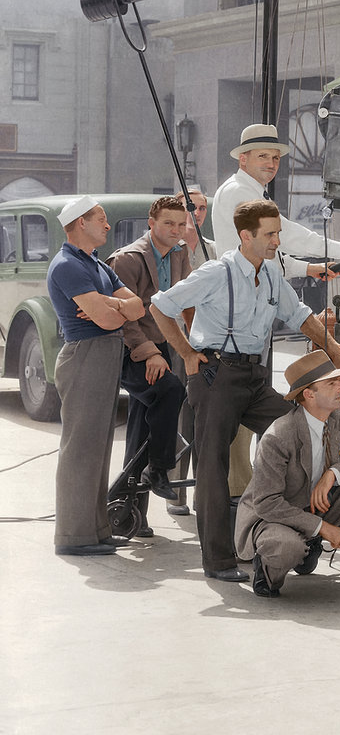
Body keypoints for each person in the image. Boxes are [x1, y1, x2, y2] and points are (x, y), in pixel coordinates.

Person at [150, 199, 340, 583]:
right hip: (215, 375)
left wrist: (337, 351)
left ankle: (301, 532)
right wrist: (186, 354)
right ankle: (217, 561)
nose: (277, 241)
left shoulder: (270, 274)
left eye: (278, 233)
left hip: (254, 375)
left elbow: (300, 315)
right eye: (270, 234)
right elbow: (161, 306)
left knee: (300, 427)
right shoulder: (217, 272)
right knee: (212, 467)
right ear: (245, 236)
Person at [233, 349, 340, 599]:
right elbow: (267, 504)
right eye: (332, 383)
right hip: (275, 518)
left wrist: (334, 473)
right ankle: (267, 570)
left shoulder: (338, 419)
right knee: (286, 547)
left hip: (317, 505)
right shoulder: (279, 436)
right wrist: (323, 528)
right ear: (309, 395)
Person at [48, 197, 146, 557]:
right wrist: (116, 309)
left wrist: (114, 306)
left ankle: (95, 530)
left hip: (104, 355)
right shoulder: (68, 265)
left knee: (99, 446)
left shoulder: (94, 265)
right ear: (79, 223)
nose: (107, 226)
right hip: (85, 355)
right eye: (100, 219)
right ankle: (73, 536)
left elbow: (137, 305)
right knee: (81, 450)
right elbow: (106, 320)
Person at [106, 195, 192, 538]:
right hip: (131, 347)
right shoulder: (128, 259)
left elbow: (184, 302)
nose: (175, 230)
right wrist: (148, 351)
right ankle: (158, 469)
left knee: (143, 428)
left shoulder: (181, 252)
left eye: (180, 224)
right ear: (151, 223)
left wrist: (191, 344)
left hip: (162, 345)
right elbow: (122, 317)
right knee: (171, 391)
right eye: (168, 223)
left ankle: (131, 514)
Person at [211, 123, 340, 279]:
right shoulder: (239, 191)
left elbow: (269, 254)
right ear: (243, 159)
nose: (271, 164)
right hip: (247, 293)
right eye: (263, 156)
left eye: (275, 158)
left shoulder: (246, 189)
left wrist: (309, 269)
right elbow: (284, 235)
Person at [166, 185, 216, 517]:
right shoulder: (171, 251)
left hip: (210, 343)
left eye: (200, 209)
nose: (195, 213)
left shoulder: (214, 250)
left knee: (207, 418)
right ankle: (175, 491)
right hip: (179, 342)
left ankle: (203, 491)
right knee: (181, 414)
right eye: (190, 207)